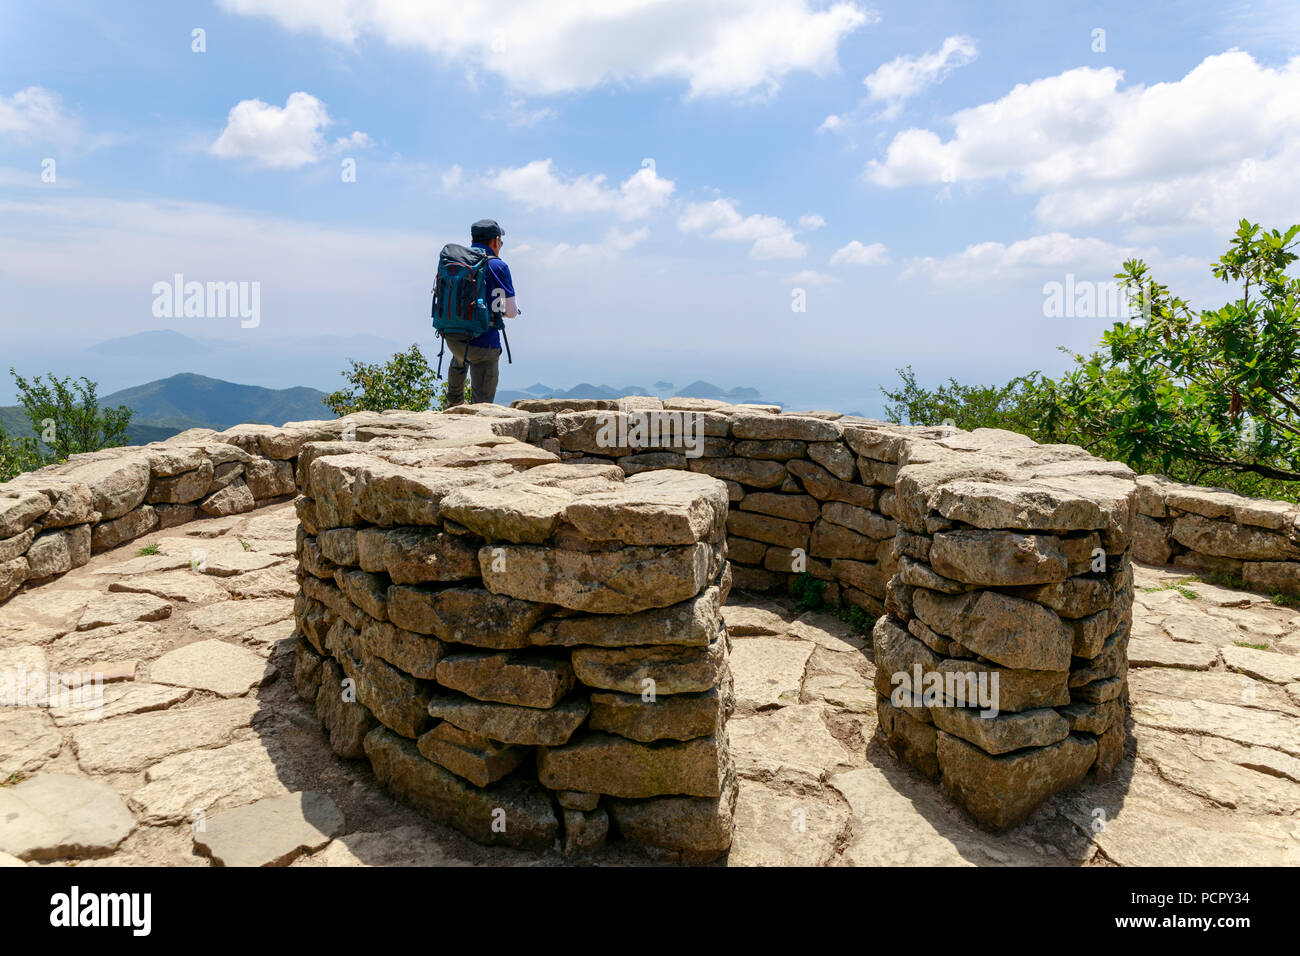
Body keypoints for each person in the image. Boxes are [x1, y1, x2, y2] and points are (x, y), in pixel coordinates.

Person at [443, 219, 517, 406]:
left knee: (463, 349)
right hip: (483, 347)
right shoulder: (498, 266)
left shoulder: (457, 262)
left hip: (453, 340)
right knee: (482, 406)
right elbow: (511, 311)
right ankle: (479, 413)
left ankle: (454, 402)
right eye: (500, 242)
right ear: (495, 241)